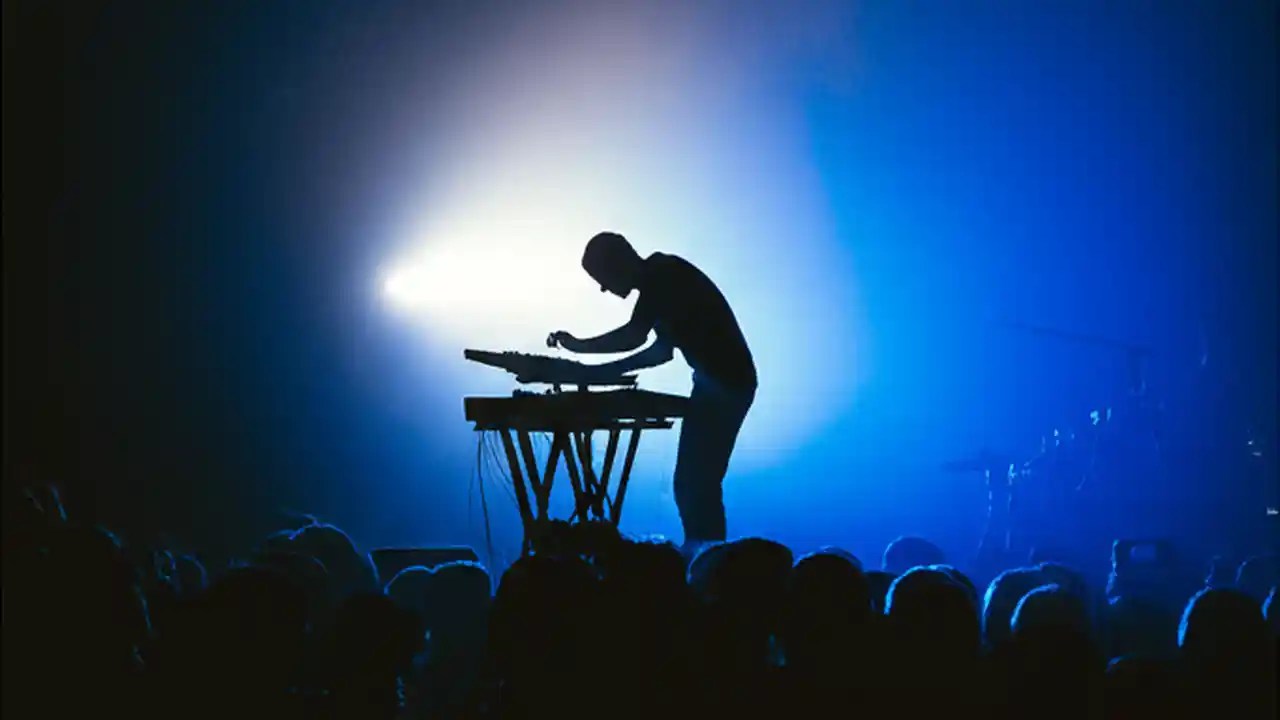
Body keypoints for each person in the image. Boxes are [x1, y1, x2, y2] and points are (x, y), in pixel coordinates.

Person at [549, 231, 757, 553]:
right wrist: (594, 368)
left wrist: (582, 353)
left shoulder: (663, 277)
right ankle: (707, 561)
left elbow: (635, 339)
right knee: (695, 483)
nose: (603, 288)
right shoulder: (661, 279)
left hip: (725, 384)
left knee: (695, 484)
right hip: (719, 382)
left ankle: (709, 565)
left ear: (616, 263)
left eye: (601, 278)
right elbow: (659, 350)